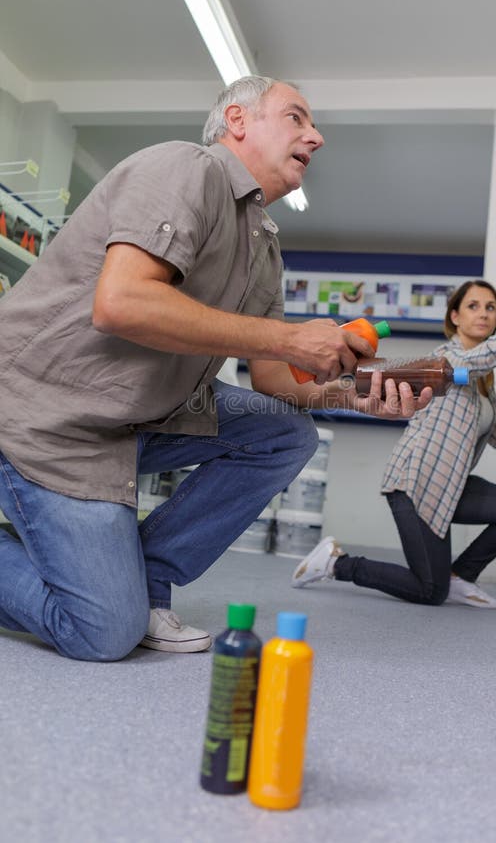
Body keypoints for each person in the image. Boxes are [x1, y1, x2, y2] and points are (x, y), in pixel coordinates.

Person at [0, 76, 431, 661]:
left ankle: (146, 578)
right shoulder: (186, 168)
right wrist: (290, 338)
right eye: (297, 118)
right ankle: (112, 593)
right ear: (237, 121)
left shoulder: (264, 246)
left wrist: (356, 396)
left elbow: (274, 383)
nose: (317, 137)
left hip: (133, 415)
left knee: (283, 433)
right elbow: (121, 303)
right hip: (40, 416)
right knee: (102, 632)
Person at [292, 279, 496, 609]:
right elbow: (475, 360)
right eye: (473, 306)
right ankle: (335, 563)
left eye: (490, 308)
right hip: (416, 483)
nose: (483, 313)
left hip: (451, 485)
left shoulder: (485, 383)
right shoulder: (443, 361)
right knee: (428, 590)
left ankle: (459, 577)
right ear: (454, 317)